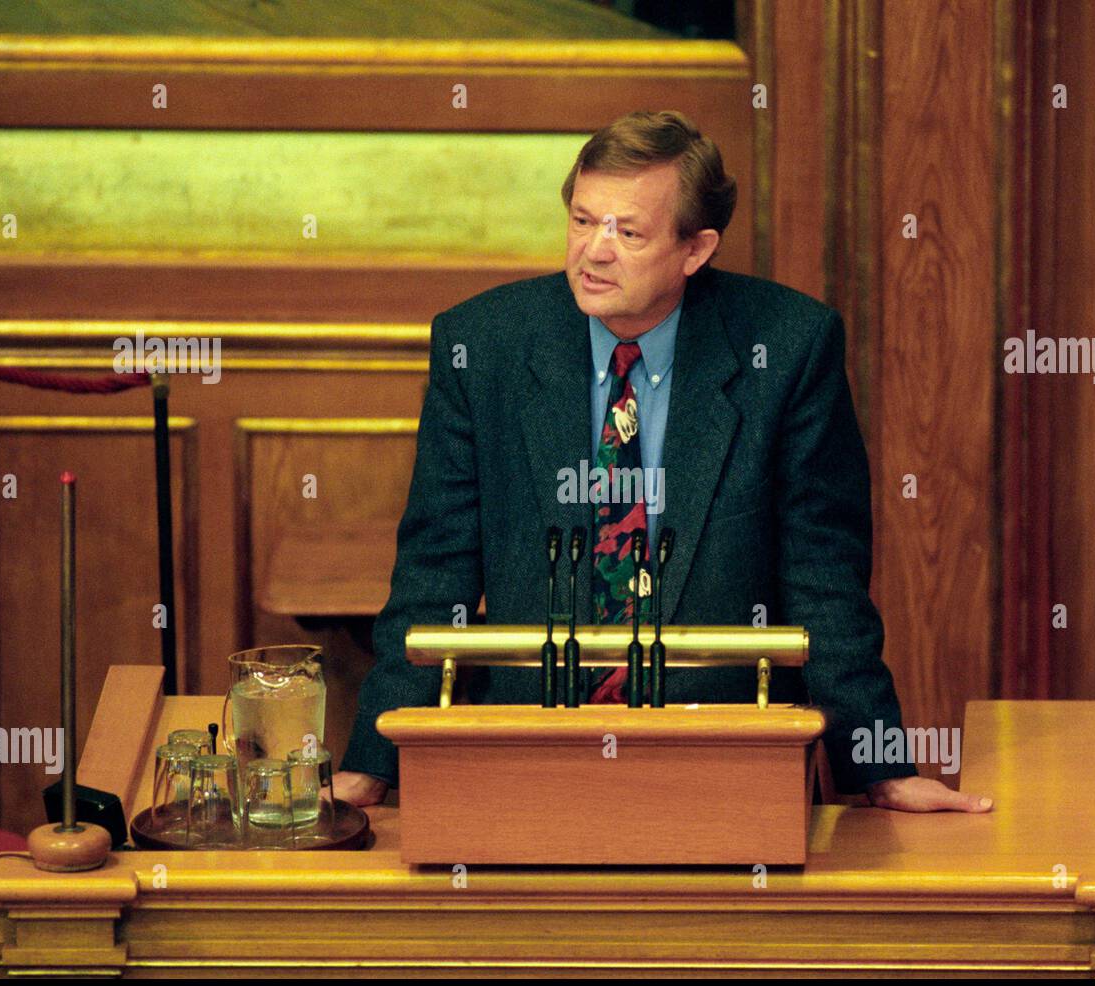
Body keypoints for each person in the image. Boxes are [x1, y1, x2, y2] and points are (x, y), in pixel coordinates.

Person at [336, 110, 992, 816]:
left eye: (628, 231)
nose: (594, 251)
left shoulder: (789, 349)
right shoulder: (483, 345)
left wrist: (879, 765)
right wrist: (371, 768)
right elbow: (435, 574)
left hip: (726, 765)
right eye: (583, 221)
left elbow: (823, 580)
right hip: (528, 757)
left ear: (695, 249)